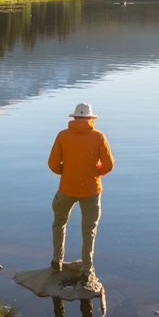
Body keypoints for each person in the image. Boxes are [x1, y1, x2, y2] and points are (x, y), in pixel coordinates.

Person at [47, 103, 114, 286]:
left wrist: (67, 172)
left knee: (59, 223)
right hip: (91, 190)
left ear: (74, 118)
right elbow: (108, 165)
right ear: (90, 119)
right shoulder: (98, 136)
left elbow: (53, 164)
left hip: (66, 189)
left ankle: (56, 261)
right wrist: (95, 171)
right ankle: (86, 270)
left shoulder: (62, 135)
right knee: (89, 230)